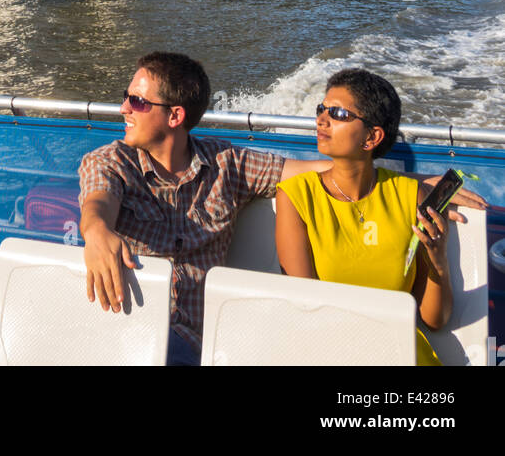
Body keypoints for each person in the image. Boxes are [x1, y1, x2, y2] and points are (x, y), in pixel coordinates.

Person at [79, 52, 482, 365]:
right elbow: (98, 199)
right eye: (320, 111)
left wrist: (416, 182)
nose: (124, 108)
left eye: (136, 100)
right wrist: (96, 231)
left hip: (196, 345)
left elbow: (321, 168)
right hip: (128, 332)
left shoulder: (228, 165)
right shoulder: (110, 162)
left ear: (175, 115)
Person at [276, 68, 450, 365]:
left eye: (338, 113)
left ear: (371, 137)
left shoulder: (412, 197)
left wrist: (437, 261)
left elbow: (434, 320)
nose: (321, 119)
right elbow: (305, 307)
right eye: (322, 109)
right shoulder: (296, 197)